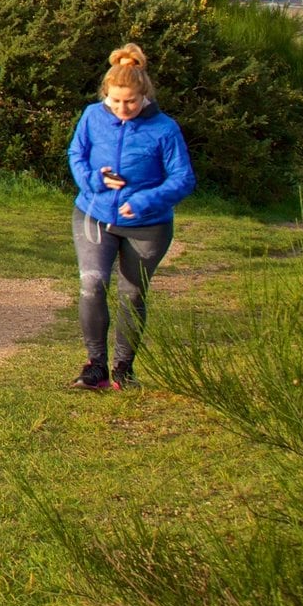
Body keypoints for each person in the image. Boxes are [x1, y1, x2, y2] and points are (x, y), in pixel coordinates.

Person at [66, 43, 195, 390]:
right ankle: (95, 366)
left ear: (144, 95)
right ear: (105, 94)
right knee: (92, 284)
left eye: (131, 102)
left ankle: (124, 369)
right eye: (115, 101)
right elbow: (76, 154)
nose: (123, 109)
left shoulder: (165, 129)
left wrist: (144, 202)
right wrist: (95, 180)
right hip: (94, 215)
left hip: (148, 226)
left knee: (132, 294)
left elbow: (183, 178)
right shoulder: (92, 116)